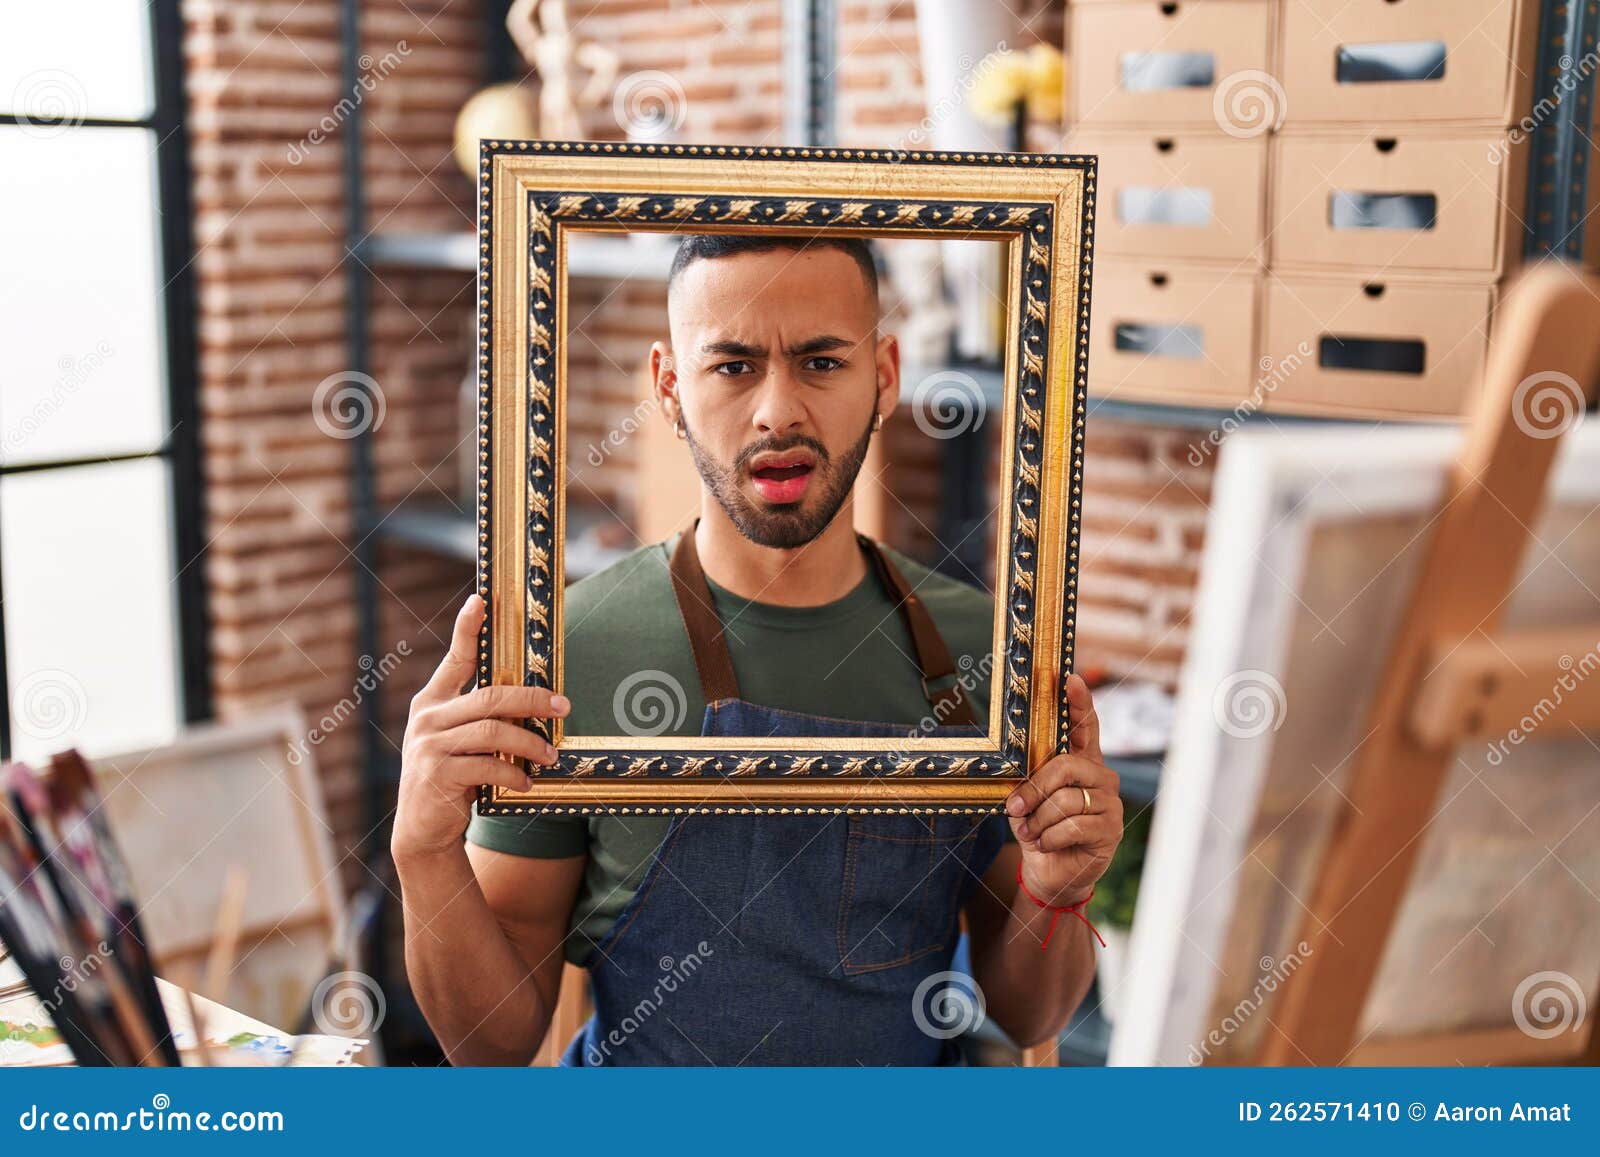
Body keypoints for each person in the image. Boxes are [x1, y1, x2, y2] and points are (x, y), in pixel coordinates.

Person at [393, 233, 1125, 1065]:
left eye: (821, 361)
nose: (778, 410)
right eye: (732, 366)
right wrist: (423, 850)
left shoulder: (982, 649)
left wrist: (1057, 889)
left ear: (884, 375)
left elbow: (1029, 1014)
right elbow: (492, 1044)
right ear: (669, 388)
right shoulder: (572, 653)